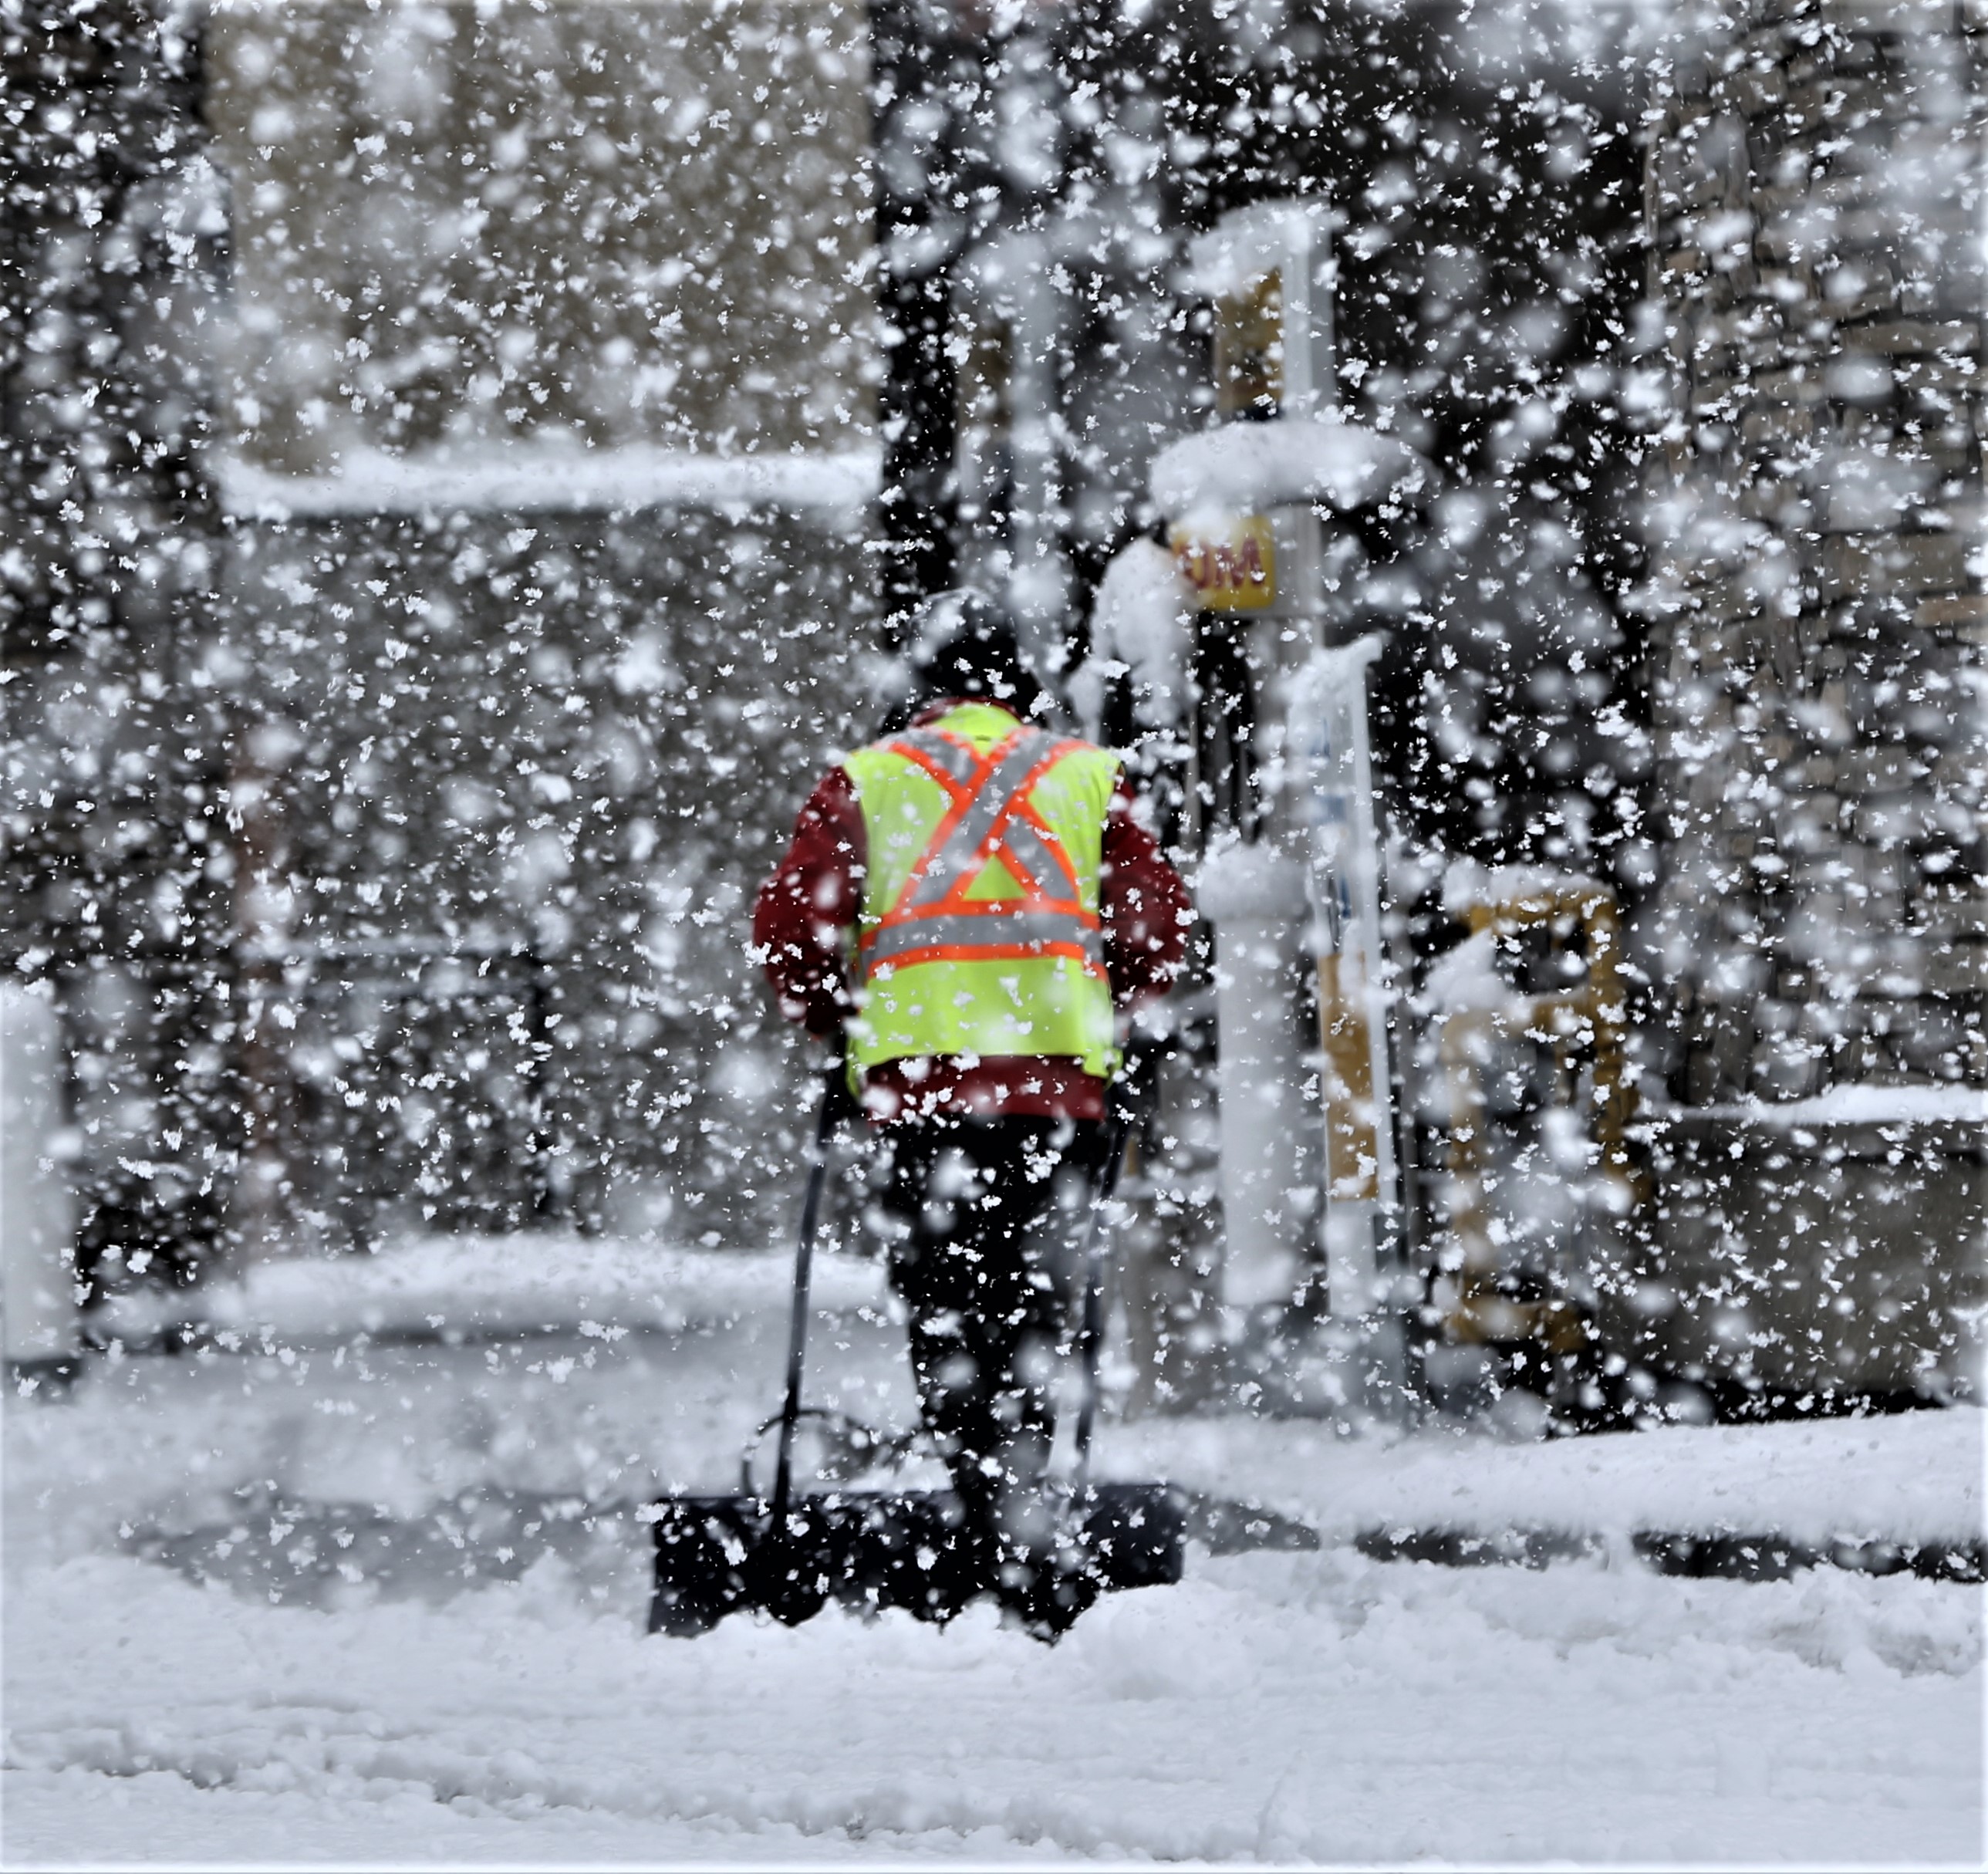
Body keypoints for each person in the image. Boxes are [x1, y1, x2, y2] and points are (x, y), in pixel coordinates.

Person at [751, 590, 1191, 1635]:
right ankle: (1026, 1520)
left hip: (922, 1096)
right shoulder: (1086, 777)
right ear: (1022, 685)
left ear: (920, 685)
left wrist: (835, 1027)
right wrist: (1118, 1016)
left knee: (947, 1304)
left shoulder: (870, 778)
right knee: (1037, 1305)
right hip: (1058, 1096)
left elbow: (789, 932)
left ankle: (979, 1505)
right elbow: (1158, 929)